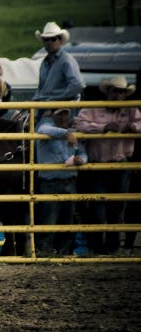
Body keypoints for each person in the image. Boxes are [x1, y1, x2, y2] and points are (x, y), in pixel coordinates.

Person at [74, 76, 141, 254]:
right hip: (98, 165)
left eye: (121, 92)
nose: (118, 95)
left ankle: (112, 247)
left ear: (125, 94)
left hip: (120, 165)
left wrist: (133, 128)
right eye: (115, 91)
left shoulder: (131, 110)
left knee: (116, 209)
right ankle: (96, 247)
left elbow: (139, 124)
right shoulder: (93, 108)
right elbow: (79, 124)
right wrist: (103, 127)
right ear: (108, 92)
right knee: (98, 209)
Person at [34, 108, 87, 255]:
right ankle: (45, 252)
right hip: (51, 182)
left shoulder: (70, 132)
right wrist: (67, 134)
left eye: (66, 113)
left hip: (68, 181)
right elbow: (44, 129)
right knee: (48, 221)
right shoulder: (45, 128)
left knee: (67, 221)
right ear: (53, 115)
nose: (64, 116)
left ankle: (61, 252)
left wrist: (81, 160)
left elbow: (82, 152)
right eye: (60, 113)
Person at [31, 22, 85, 104]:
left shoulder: (66, 60)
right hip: (43, 107)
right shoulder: (44, 63)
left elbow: (77, 85)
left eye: (53, 39)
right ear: (43, 42)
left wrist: (57, 103)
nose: (49, 42)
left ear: (60, 40)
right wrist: (32, 102)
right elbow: (41, 91)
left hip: (59, 112)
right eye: (46, 39)